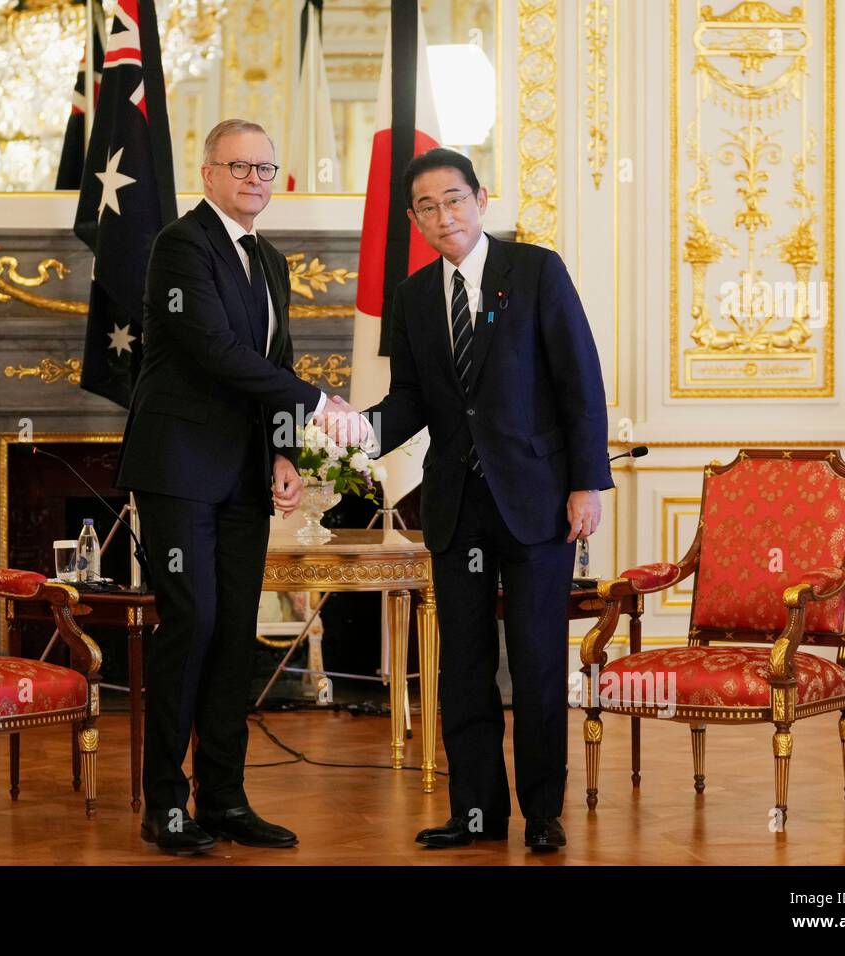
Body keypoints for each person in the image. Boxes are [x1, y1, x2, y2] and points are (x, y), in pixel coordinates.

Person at [329, 147, 611, 851]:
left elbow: (581, 382)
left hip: (538, 502)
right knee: (462, 667)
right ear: (414, 219)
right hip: (457, 506)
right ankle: (476, 814)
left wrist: (586, 484)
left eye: (453, 199)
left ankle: (542, 814)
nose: (442, 215)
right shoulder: (414, 296)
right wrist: (348, 434)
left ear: (481, 200)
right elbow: (412, 402)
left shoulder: (536, 271)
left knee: (540, 663)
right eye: (426, 206)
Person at [116, 118, 368, 854]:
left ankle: (223, 799)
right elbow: (217, 352)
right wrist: (320, 404)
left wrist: (284, 454)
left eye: (266, 168)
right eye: (240, 167)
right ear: (209, 174)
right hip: (178, 471)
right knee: (190, 622)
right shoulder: (179, 246)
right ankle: (164, 805)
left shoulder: (272, 263)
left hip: (241, 474)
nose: (256, 180)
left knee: (232, 635)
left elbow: (273, 362)